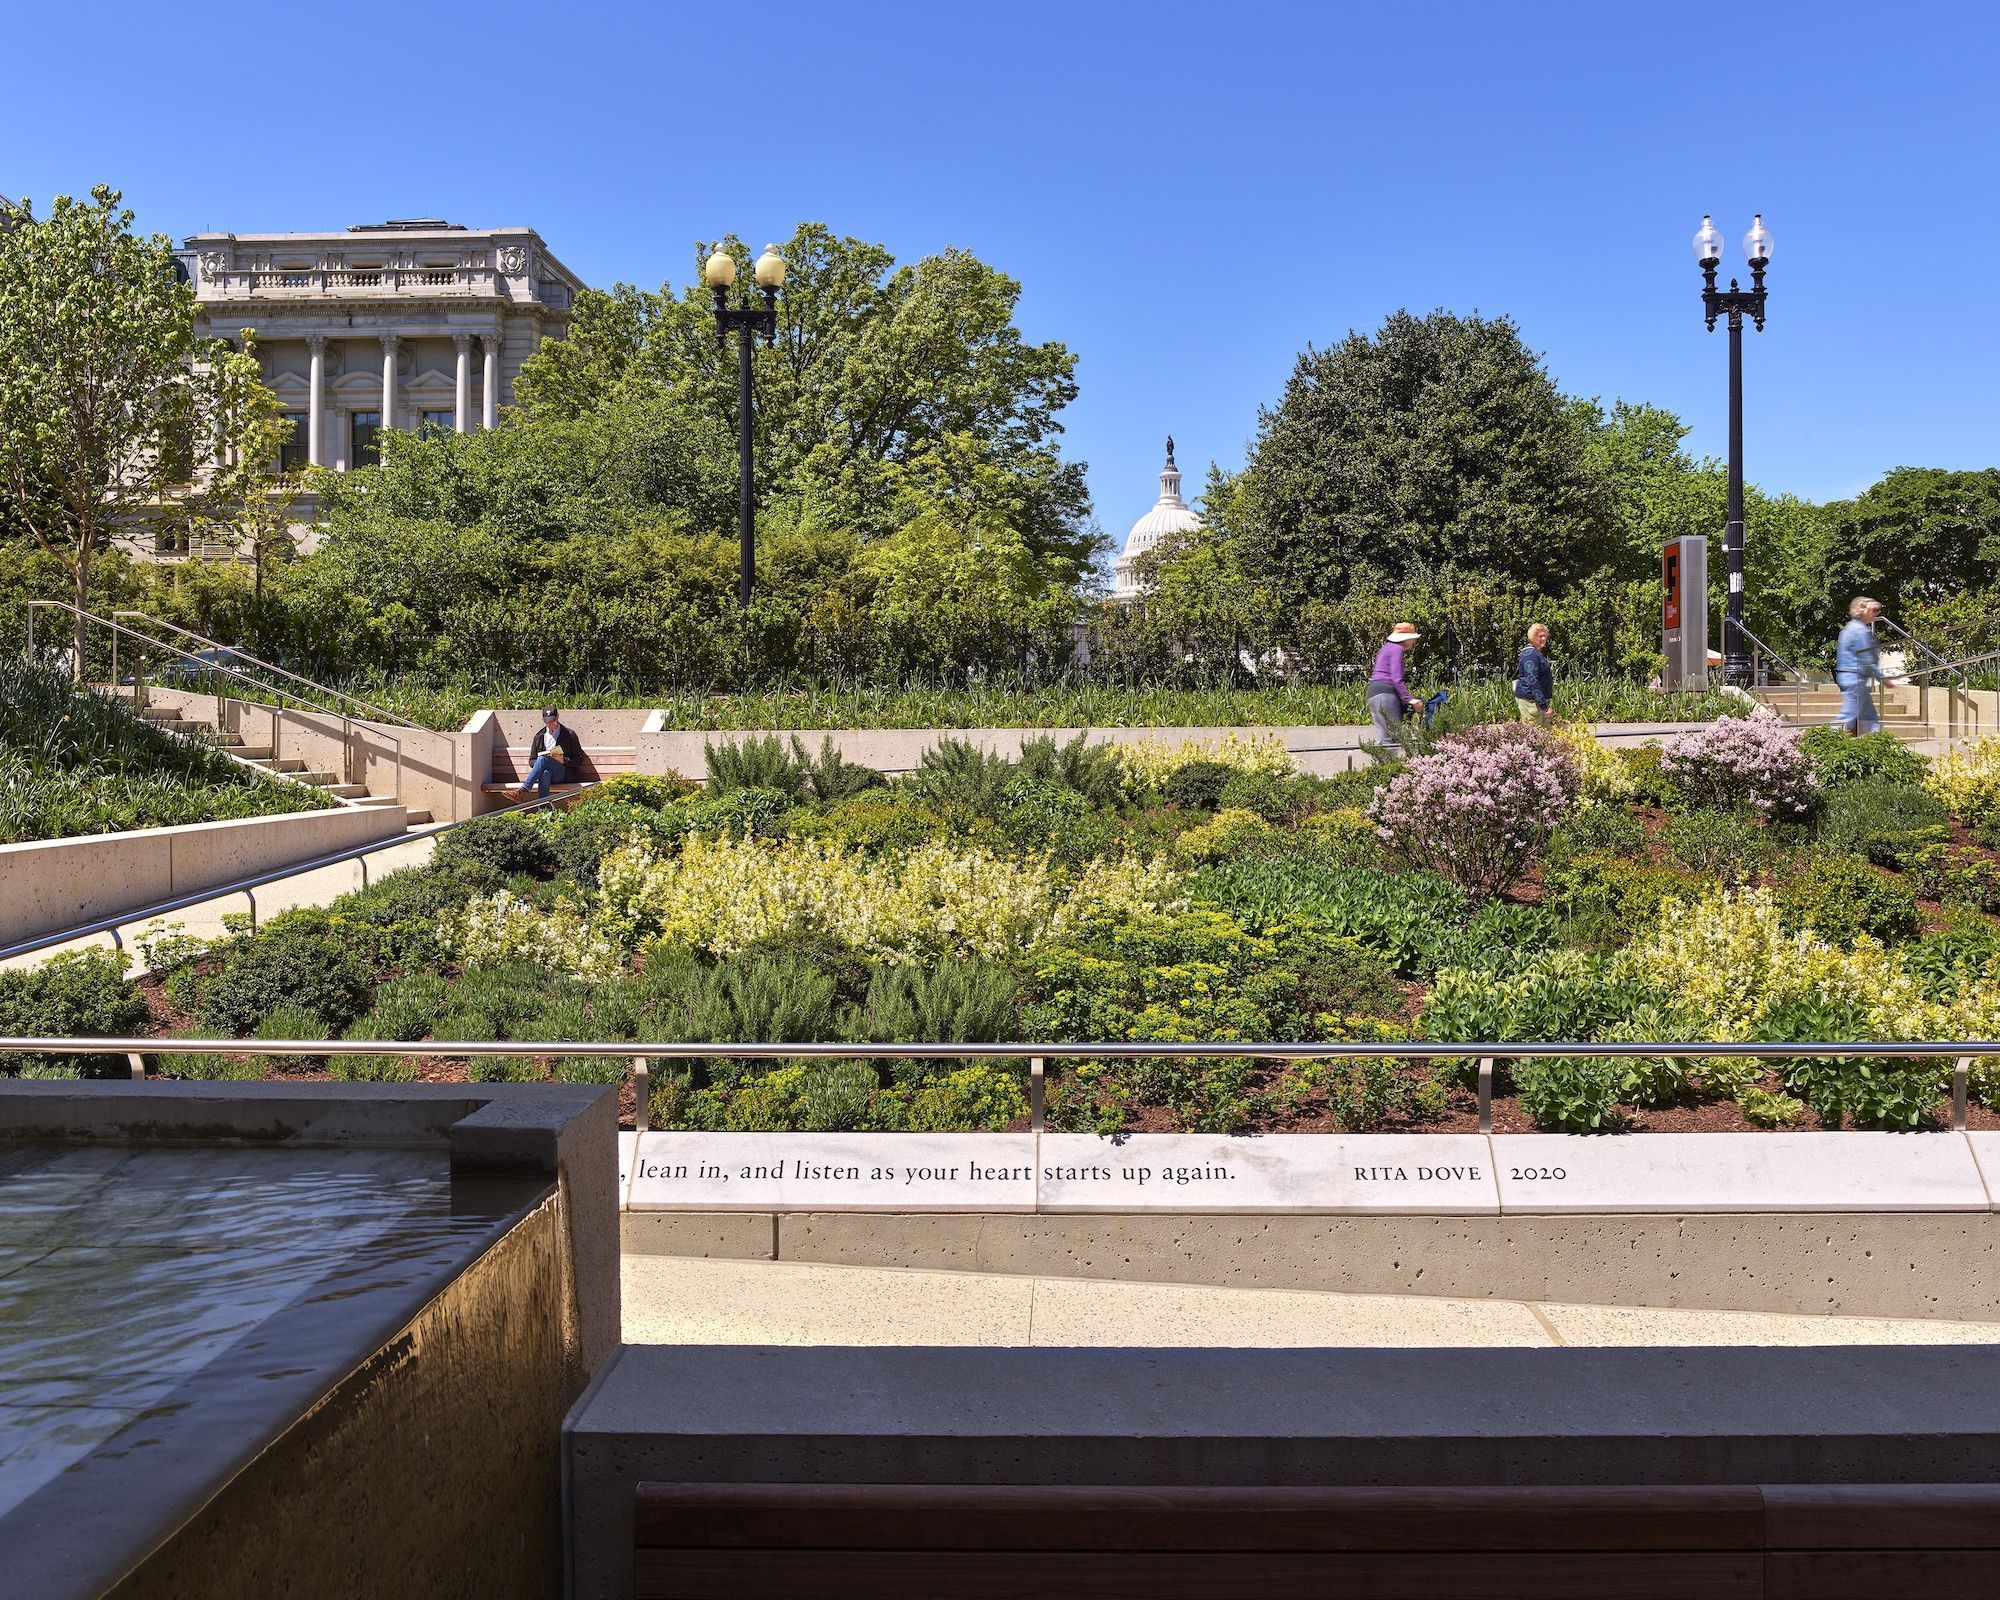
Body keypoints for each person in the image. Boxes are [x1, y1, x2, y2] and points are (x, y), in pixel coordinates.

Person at [1366, 623, 1423, 757]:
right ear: (1406, 639)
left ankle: (1381, 767)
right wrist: (1410, 700)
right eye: (1413, 639)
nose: (1414, 642)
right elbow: (1396, 678)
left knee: (1383, 737)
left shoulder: (1386, 647)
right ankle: (1389, 768)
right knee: (1392, 736)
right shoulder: (1397, 649)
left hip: (1374, 693)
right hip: (1386, 694)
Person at [1835, 597, 1888, 736]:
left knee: (1870, 719)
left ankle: (1877, 743)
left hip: (1850, 677)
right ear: (1864, 611)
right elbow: (1866, 659)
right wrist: (1882, 678)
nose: (1877, 613)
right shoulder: (1860, 631)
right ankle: (1824, 741)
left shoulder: (1849, 628)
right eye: (1874, 610)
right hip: (1855, 679)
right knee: (1847, 718)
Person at [513, 707, 585, 799]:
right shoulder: (539, 736)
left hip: (564, 773)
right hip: (548, 774)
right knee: (545, 772)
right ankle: (544, 806)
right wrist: (542, 762)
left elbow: (579, 759)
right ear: (544, 721)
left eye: (553, 721)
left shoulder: (569, 734)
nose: (551, 724)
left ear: (557, 717)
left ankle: (524, 789)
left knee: (542, 759)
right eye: (548, 722)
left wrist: (563, 760)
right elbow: (531, 761)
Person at [1514, 623, 1555, 723]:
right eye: (1540, 636)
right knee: (1535, 731)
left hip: (1534, 702)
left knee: (1544, 731)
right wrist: (1544, 707)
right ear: (1532, 637)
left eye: (1545, 636)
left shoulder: (1534, 653)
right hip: (1531, 703)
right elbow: (1532, 681)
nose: (1544, 638)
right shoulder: (1531, 655)